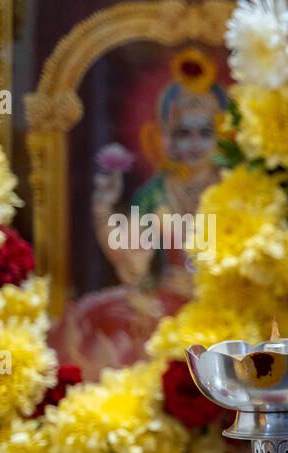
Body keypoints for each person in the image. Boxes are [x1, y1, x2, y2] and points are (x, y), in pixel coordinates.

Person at [50, 48, 229, 380]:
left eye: (204, 133)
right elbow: (134, 259)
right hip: (164, 307)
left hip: (228, 308)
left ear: (221, 137)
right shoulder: (157, 192)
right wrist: (104, 207)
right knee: (93, 319)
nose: (193, 144)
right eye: (182, 133)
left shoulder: (235, 189)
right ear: (166, 138)